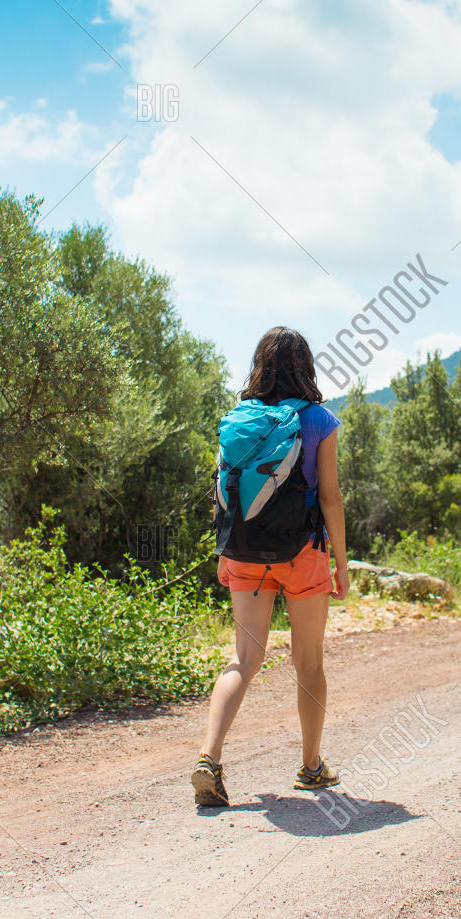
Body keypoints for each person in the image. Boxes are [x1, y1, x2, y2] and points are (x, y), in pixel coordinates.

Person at [192, 326, 350, 807]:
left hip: (244, 552)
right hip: (303, 554)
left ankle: (209, 759)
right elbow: (329, 498)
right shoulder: (319, 420)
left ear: (259, 364)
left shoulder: (236, 419)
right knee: (309, 662)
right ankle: (311, 767)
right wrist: (341, 564)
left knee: (244, 659)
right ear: (306, 367)